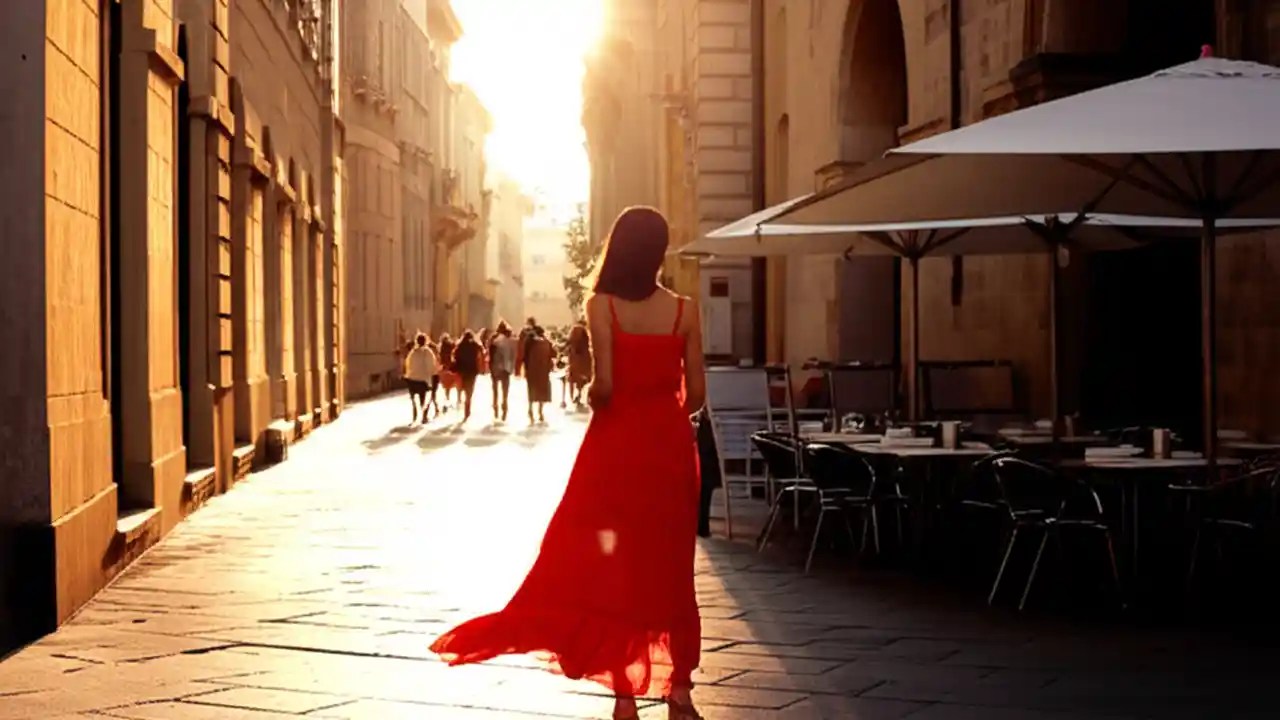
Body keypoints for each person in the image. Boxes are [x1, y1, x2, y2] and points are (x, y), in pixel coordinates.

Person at [430, 206, 707, 720]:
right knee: (670, 567)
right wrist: (661, 403)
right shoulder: (686, 311)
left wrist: (618, 400)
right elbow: (696, 397)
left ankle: (626, 695)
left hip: (616, 448)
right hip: (668, 451)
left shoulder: (601, 306)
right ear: (661, 251)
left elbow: (602, 386)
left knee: (614, 565)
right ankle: (680, 694)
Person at [404, 333, 438, 424]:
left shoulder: (412, 352)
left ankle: (415, 413)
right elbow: (431, 366)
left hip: (412, 379)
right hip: (423, 380)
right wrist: (433, 374)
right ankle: (424, 415)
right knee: (425, 397)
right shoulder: (428, 352)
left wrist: (409, 374)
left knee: (414, 397)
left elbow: (408, 364)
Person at [523, 326, 555, 424]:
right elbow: (553, 354)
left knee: (532, 390)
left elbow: (525, 357)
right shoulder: (547, 343)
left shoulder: (530, 343)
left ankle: (530, 409)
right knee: (542, 391)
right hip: (543, 371)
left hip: (532, 370)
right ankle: (540, 412)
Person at [452, 330, 484, 422]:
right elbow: (481, 351)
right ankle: (467, 408)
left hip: (462, 370)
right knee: (469, 391)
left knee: (461, 386)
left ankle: (461, 399)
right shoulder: (474, 345)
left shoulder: (460, 346)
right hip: (472, 370)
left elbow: (454, 356)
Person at [488, 321, 516, 421]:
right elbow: (513, 355)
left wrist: (490, 366)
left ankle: (495, 407)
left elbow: (490, 353)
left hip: (495, 367)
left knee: (495, 389)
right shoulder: (510, 340)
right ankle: (504, 407)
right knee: (505, 390)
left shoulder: (494, 339)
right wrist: (512, 367)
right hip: (506, 368)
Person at [566, 320, 592, 408]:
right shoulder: (581, 330)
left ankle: (574, 396)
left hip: (573, 358)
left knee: (574, 378)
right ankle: (578, 395)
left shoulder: (574, 330)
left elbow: (569, 343)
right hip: (582, 358)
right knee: (582, 378)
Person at [438, 333, 456, 411]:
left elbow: (440, 357)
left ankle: (447, 399)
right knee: (454, 383)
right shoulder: (451, 345)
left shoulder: (441, 347)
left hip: (444, 367)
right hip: (451, 366)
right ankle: (457, 400)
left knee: (446, 386)